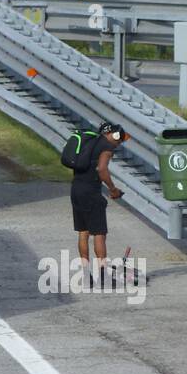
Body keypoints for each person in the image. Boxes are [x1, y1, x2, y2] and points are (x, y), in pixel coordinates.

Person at [71, 122, 125, 287]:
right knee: (99, 233)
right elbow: (102, 169)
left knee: (83, 232)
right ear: (113, 135)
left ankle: (86, 275)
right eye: (119, 138)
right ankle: (103, 276)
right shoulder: (106, 147)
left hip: (76, 189)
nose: (119, 142)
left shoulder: (89, 142)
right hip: (91, 193)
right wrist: (113, 189)